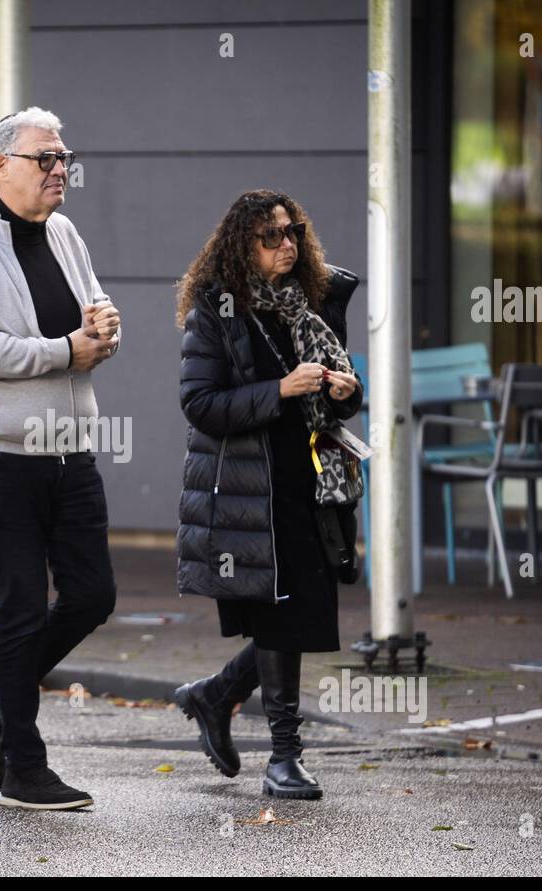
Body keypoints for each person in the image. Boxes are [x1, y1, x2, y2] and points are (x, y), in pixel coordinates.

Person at [0, 107, 121, 810]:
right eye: (46, 158)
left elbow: (92, 309)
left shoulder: (65, 233)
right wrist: (64, 351)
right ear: (0, 165)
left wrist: (106, 326)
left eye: (64, 156)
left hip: (69, 448)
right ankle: (22, 765)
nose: (60, 169)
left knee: (93, 595)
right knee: (21, 605)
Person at [173, 190, 362, 800]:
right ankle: (284, 756)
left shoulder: (314, 301)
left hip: (314, 480)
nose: (287, 245)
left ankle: (216, 695)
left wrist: (345, 391)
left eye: (293, 232)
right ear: (242, 246)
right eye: (271, 236)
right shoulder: (218, 309)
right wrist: (280, 389)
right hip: (252, 485)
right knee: (284, 609)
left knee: (304, 606)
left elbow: (341, 389)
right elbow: (201, 404)